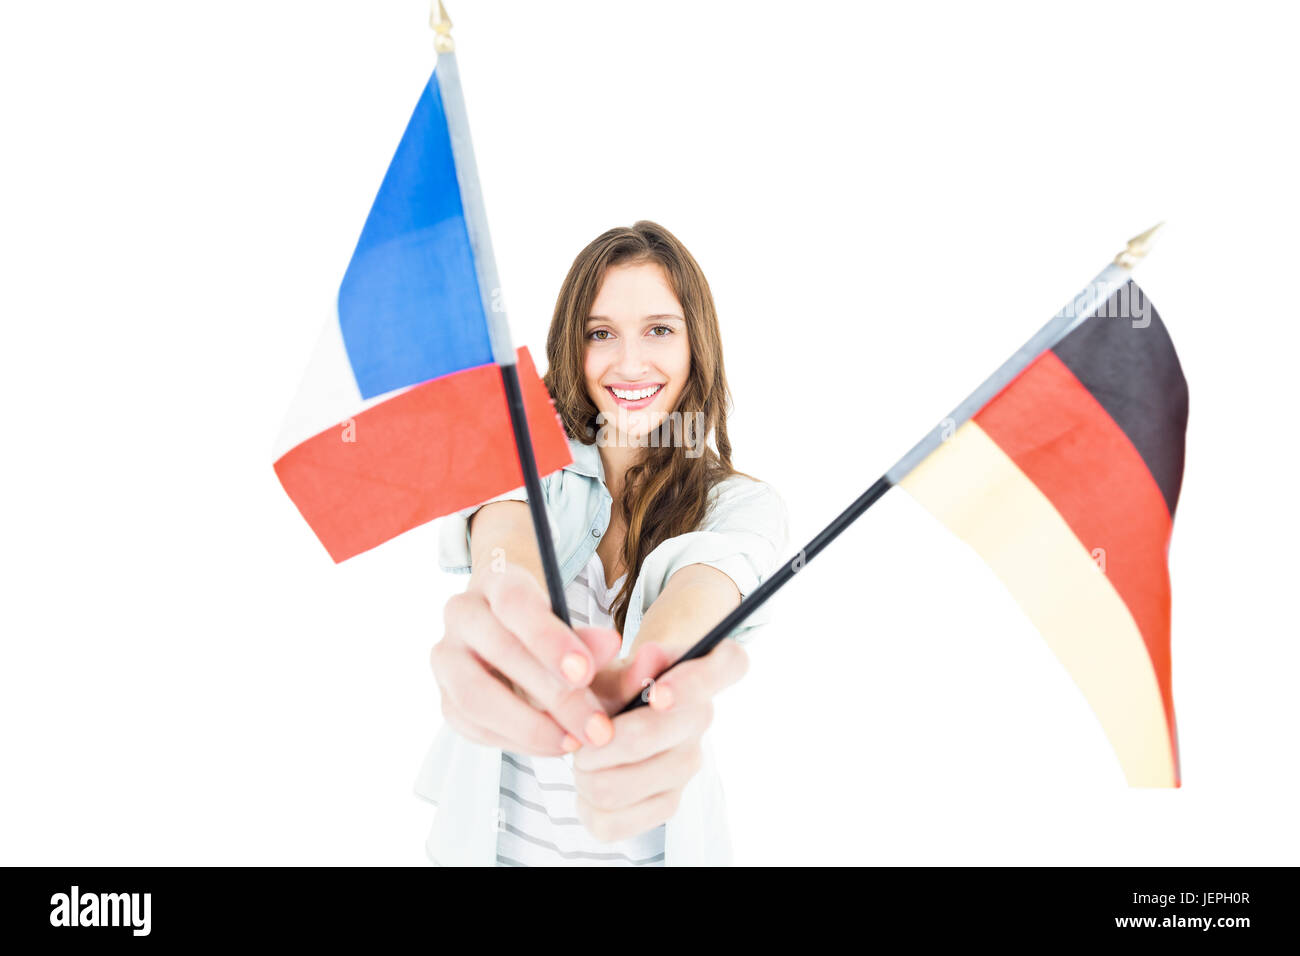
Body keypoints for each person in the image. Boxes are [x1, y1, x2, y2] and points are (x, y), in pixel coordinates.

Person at [413, 220, 789, 866]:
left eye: (660, 330)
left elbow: (707, 583)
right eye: (601, 333)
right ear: (573, 344)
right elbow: (506, 555)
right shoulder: (521, 459)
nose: (631, 361)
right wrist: (516, 617)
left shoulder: (743, 506)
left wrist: (645, 672)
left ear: (697, 344)